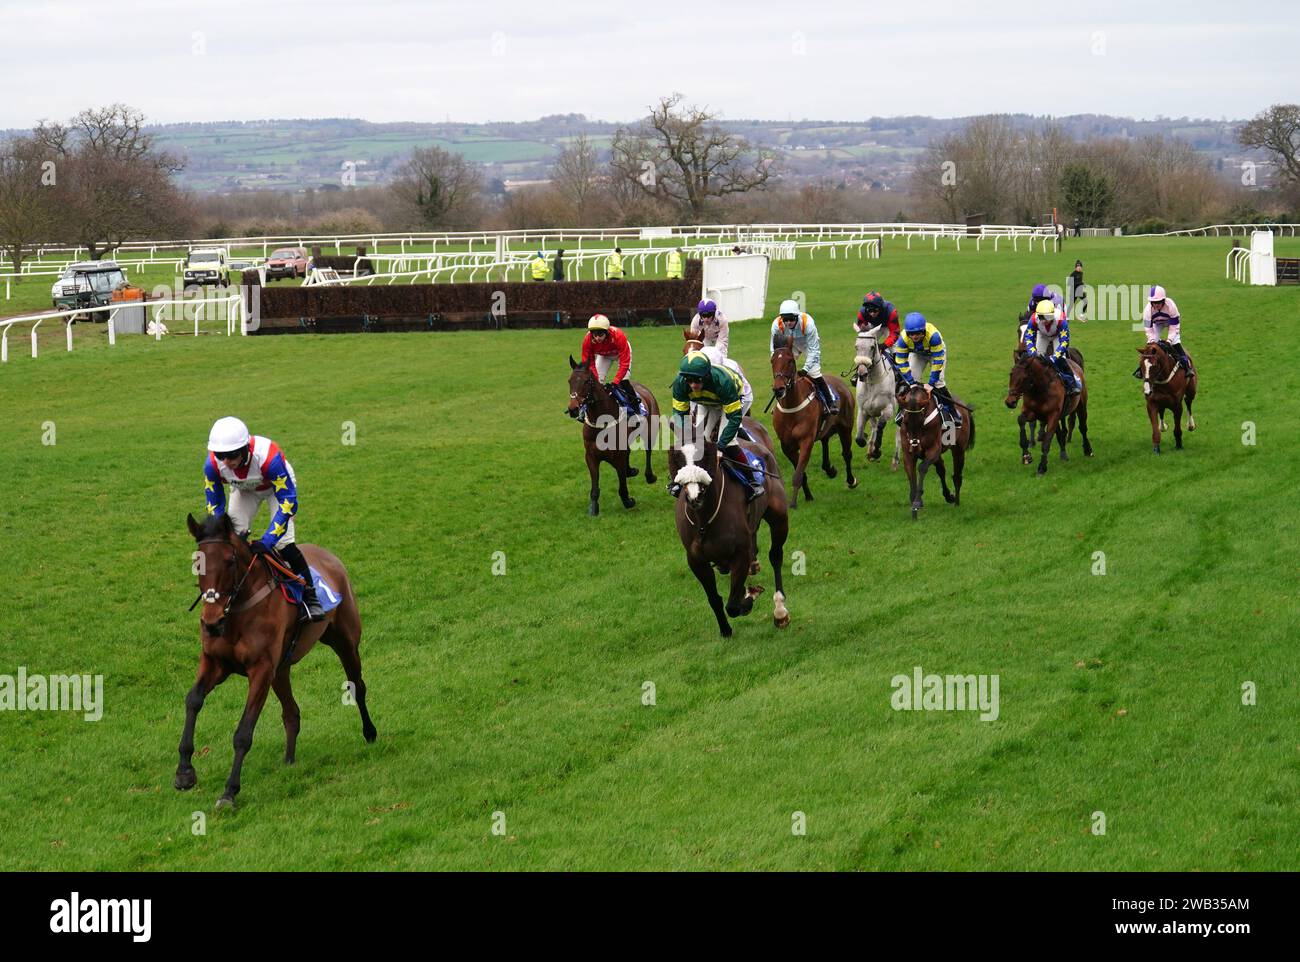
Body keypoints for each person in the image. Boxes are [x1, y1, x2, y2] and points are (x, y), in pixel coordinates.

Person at [203, 417, 324, 622]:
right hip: (244, 490)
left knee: (284, 543)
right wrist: (223, 533)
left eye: (231, 455)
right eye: (220, 455)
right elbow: (215, 505)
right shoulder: (212, 465)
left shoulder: (269, 457)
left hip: (278, 490)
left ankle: (311, 596)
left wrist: (268, 540)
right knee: (230, 542)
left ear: (245, 448)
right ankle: (231, 593)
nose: (226, 462)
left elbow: (288, 503)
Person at [668, 352, 763, 502]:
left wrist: (720, 446)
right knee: (700, 442)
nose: (693, 385)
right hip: (706, 402)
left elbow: (734, 418)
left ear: (706, 376)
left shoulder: (722, 382)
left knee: (728, 442)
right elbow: (680, 415)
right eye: (689, 380)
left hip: (733, 398)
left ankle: (752, 481)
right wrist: (688, 438)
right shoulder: (680, 383)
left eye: (697, 380)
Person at [769, 297, 837, 415]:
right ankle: (779, 404)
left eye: (791, 319)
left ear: (797, 317)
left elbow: (814, 350)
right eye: (785, 319)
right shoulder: (776, 325)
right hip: (789, 344)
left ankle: (830, 402)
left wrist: (805, 369)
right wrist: (776, 361)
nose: (788, 322)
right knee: (782, 373)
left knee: (814, 372)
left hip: (807, 344)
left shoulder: (808, 323)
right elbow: (774, 348)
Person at [892, 311, 959, 420]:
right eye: (911, 334)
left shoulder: (934, 337)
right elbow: (901, 362)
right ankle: (902, 410)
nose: (914, 336)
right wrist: (912, 382)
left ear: (923, 331)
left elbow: (938, 361)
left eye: (918, 333)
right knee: (909, 383)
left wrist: (931, 383)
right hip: (917, 353)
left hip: (935, 353)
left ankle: (952, 412)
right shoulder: (902, 339)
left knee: (939, 383)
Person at [580, 314, 640, 415]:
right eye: (595, 334)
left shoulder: (618, 335)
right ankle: (585, 410)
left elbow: (624, 363)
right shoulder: (588, 340)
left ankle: (637, 410)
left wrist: (615, 382)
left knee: (624, 382)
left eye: (600, 334)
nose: (597, 338)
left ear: (606, 332)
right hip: (604, 356)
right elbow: (588, 363)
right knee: (594, 383)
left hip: (621, 355)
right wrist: (596, 378)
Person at [1023, 299, 1080, 394]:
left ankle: (1072, 383)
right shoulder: (1033, 319)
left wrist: (1053, 358)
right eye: (1042, 318)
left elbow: (1064, 342)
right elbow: (1029, 337)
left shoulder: (1061, 319)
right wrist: (1032, 352)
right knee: (1036, 360)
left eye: (1046, 318)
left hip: (1058, 336)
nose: (1044, 321)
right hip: (1042, 336)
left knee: (1061, 359)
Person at [1141, 285, 1194, 377]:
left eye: (1158, 302)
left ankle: (1187, 367)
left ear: (1163, 300)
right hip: (1156, 324)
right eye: (1153, 302)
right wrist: (1152, 340)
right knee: (1151, 346)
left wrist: (1169, 340)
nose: (1156, 305)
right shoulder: (1147, 311)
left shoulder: (1171, 306)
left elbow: (1174, 326)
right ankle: (1141, 370)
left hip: (1170, 323)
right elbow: (1149, 329)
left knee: (1175, 342)